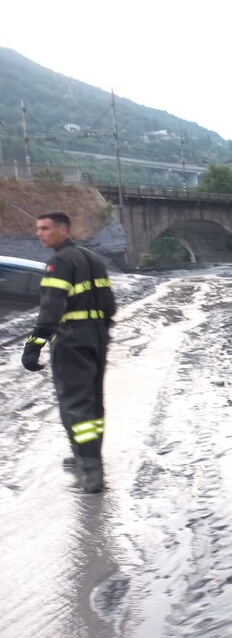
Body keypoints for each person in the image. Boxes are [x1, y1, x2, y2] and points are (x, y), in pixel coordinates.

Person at [21, 211, 116, 493]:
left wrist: (33, 345)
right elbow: (109, 304)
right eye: (38, 229)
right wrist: (101, 331)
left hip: (71, 338)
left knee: (75, 402)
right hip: (96, 335)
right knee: (93, 400)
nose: (39, 234)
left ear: (63, 230)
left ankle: (91, 471)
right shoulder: (93, 259)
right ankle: (85, 455)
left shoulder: (59, 262)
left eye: (45, 228)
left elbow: (51, 309)